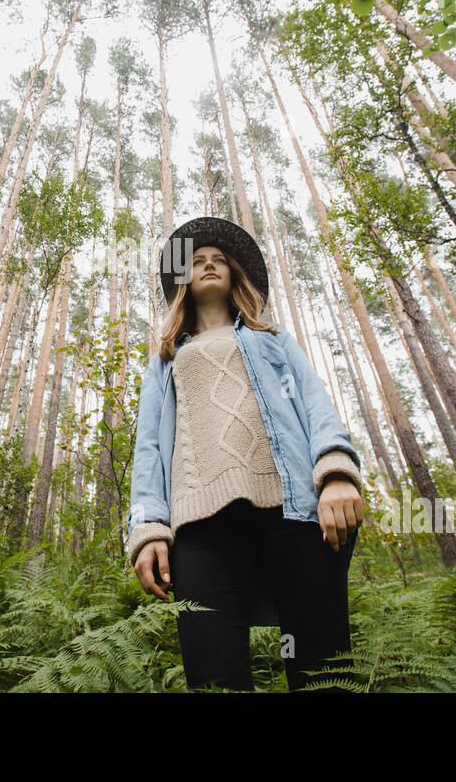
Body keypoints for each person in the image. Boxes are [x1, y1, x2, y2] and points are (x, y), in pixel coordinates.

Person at [127, 215, 366, 692]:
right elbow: (149, 446)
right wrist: (148, 527)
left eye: (219, 260)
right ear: (184, 280)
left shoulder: (273, 339)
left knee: (324, 671)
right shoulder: (167, 357)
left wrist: (336, 471)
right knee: (214, 675)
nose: (209, 265)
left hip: (295, 510)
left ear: (236, 274)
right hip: (199, 523)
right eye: (197, 261)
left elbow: (315, 401)